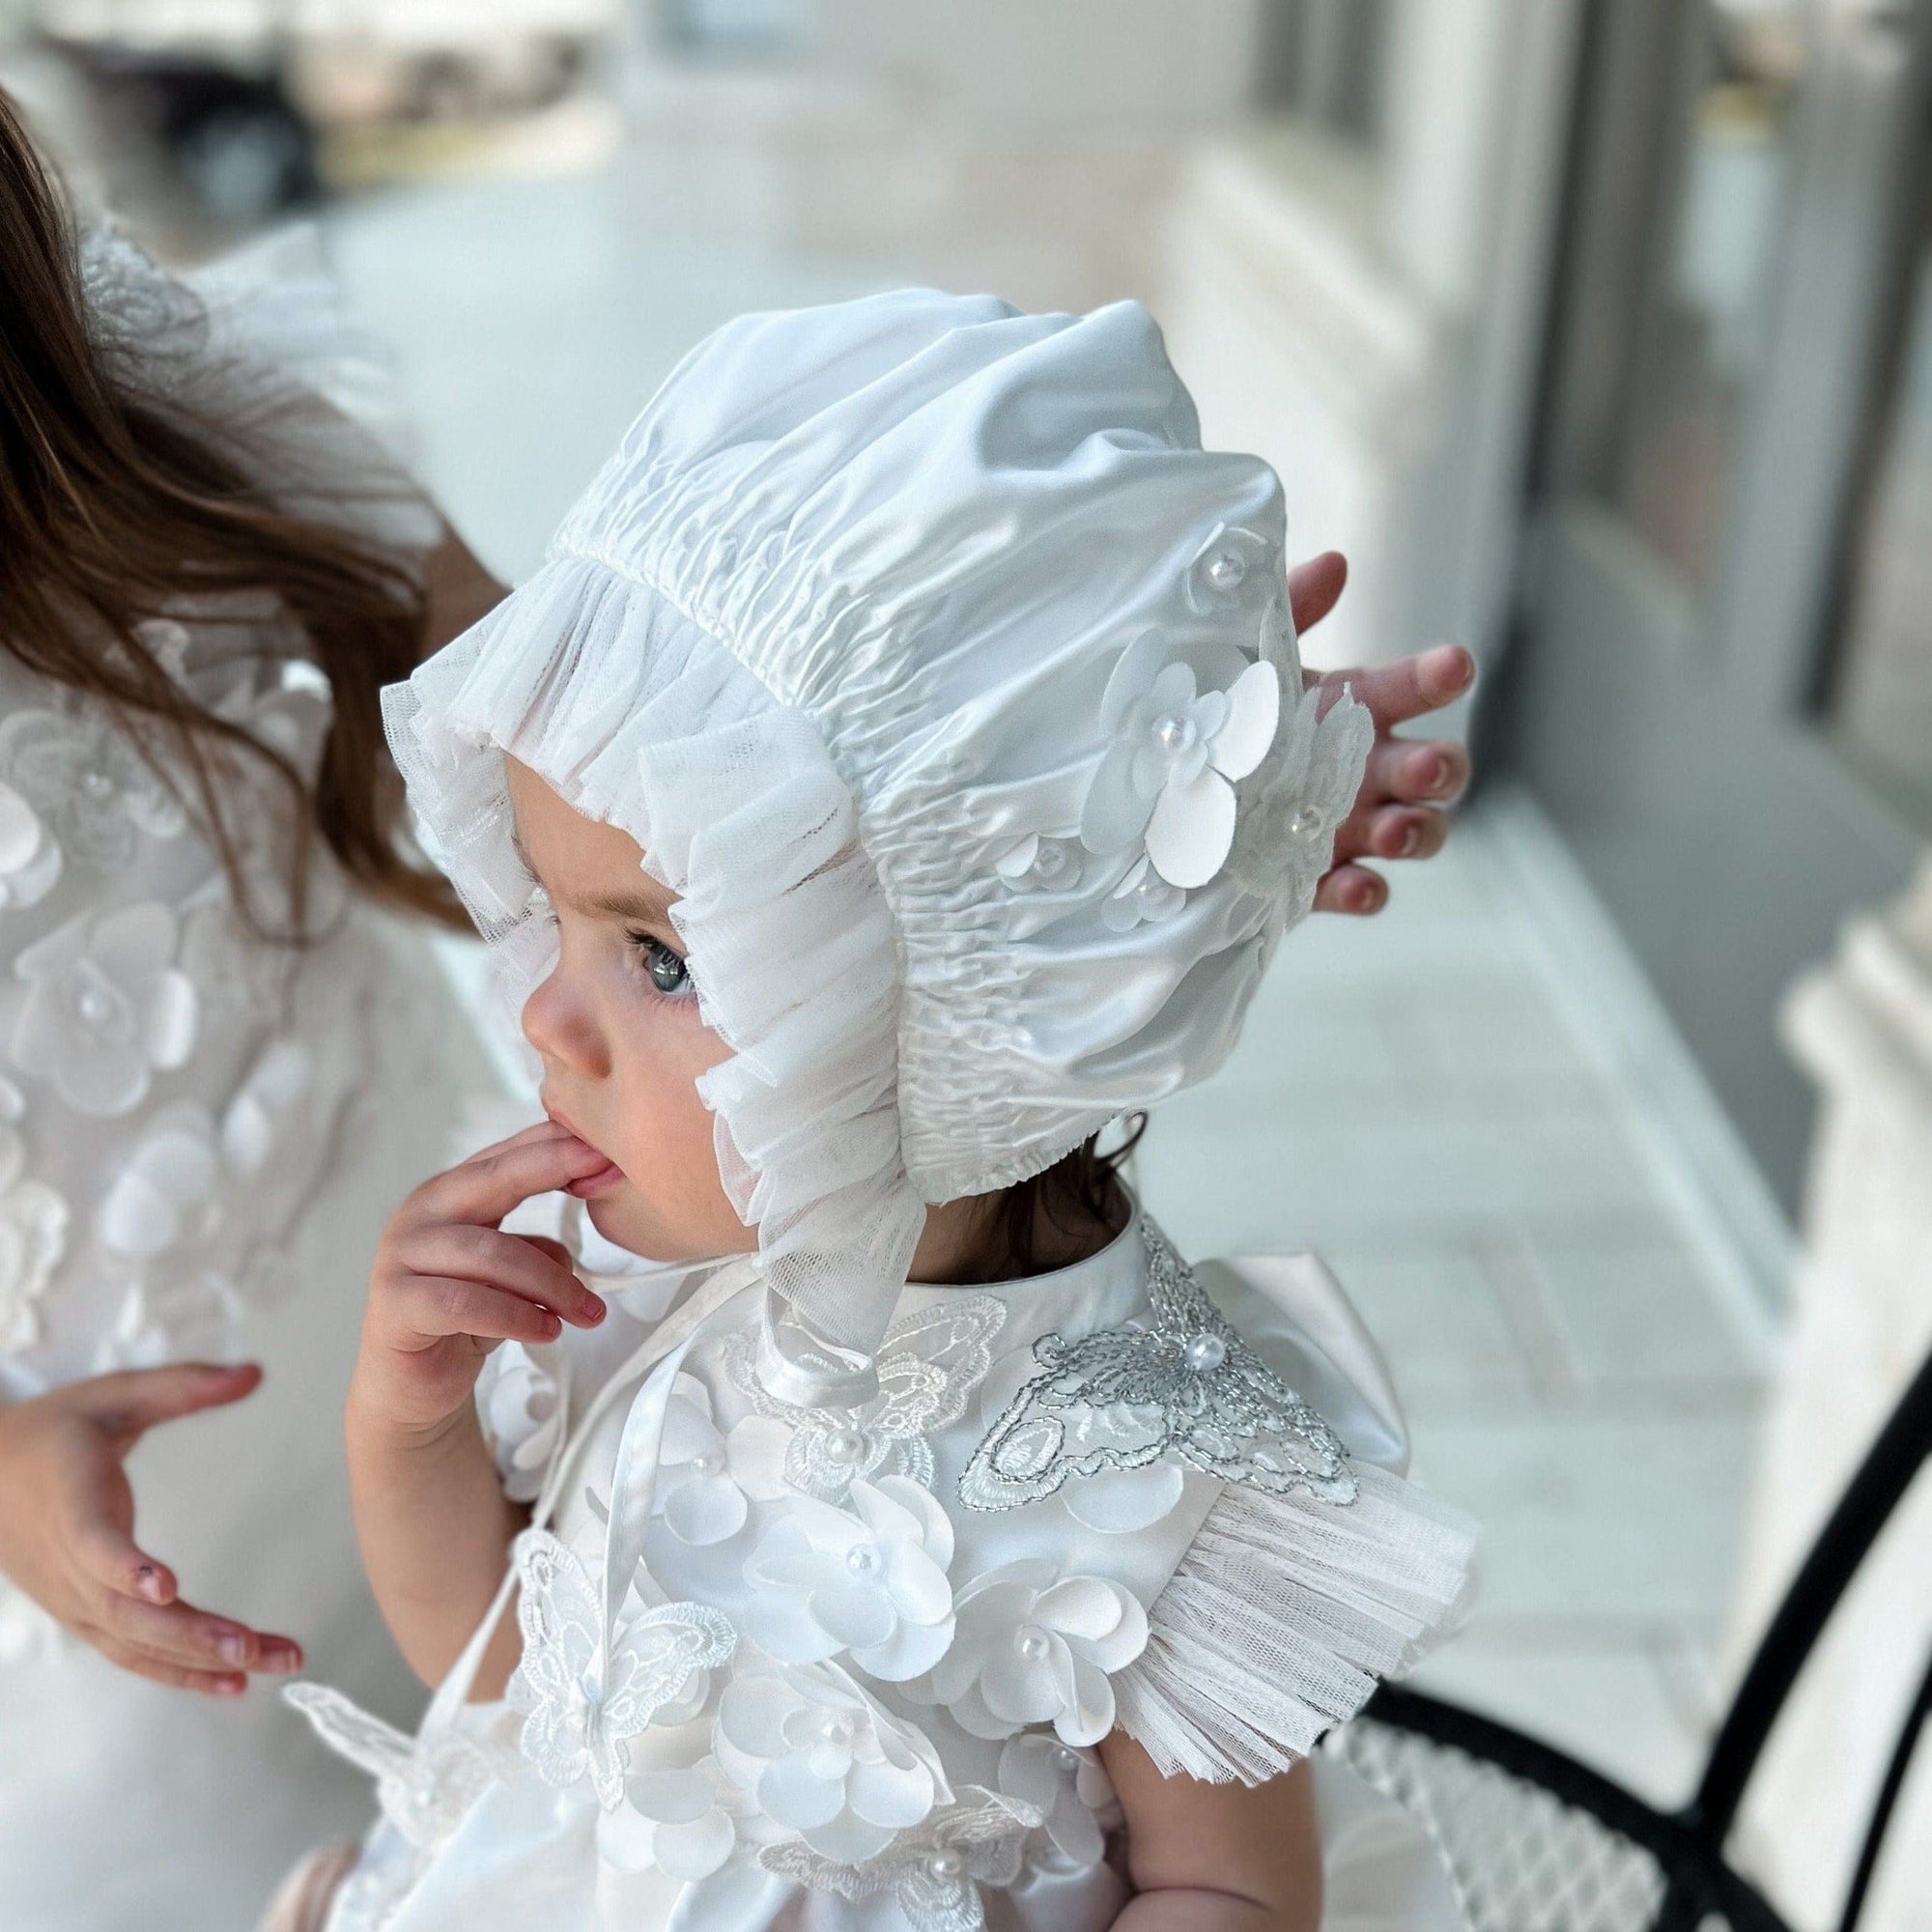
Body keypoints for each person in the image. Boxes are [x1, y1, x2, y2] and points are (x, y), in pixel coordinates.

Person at [284, 290, 1479, 1932]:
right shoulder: (635, 1287)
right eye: (558, 925)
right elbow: (495, 1692)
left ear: (946, 1027)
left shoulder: (1162, 1464)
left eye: (661, 958)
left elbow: (1235, 1893)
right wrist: (405, 1423)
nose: (547, 1019)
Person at [0, 91, 508, 1929]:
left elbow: (565, 734)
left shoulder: (126, 382)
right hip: (99, 1602)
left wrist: (1065, 824)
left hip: (446, 1352)